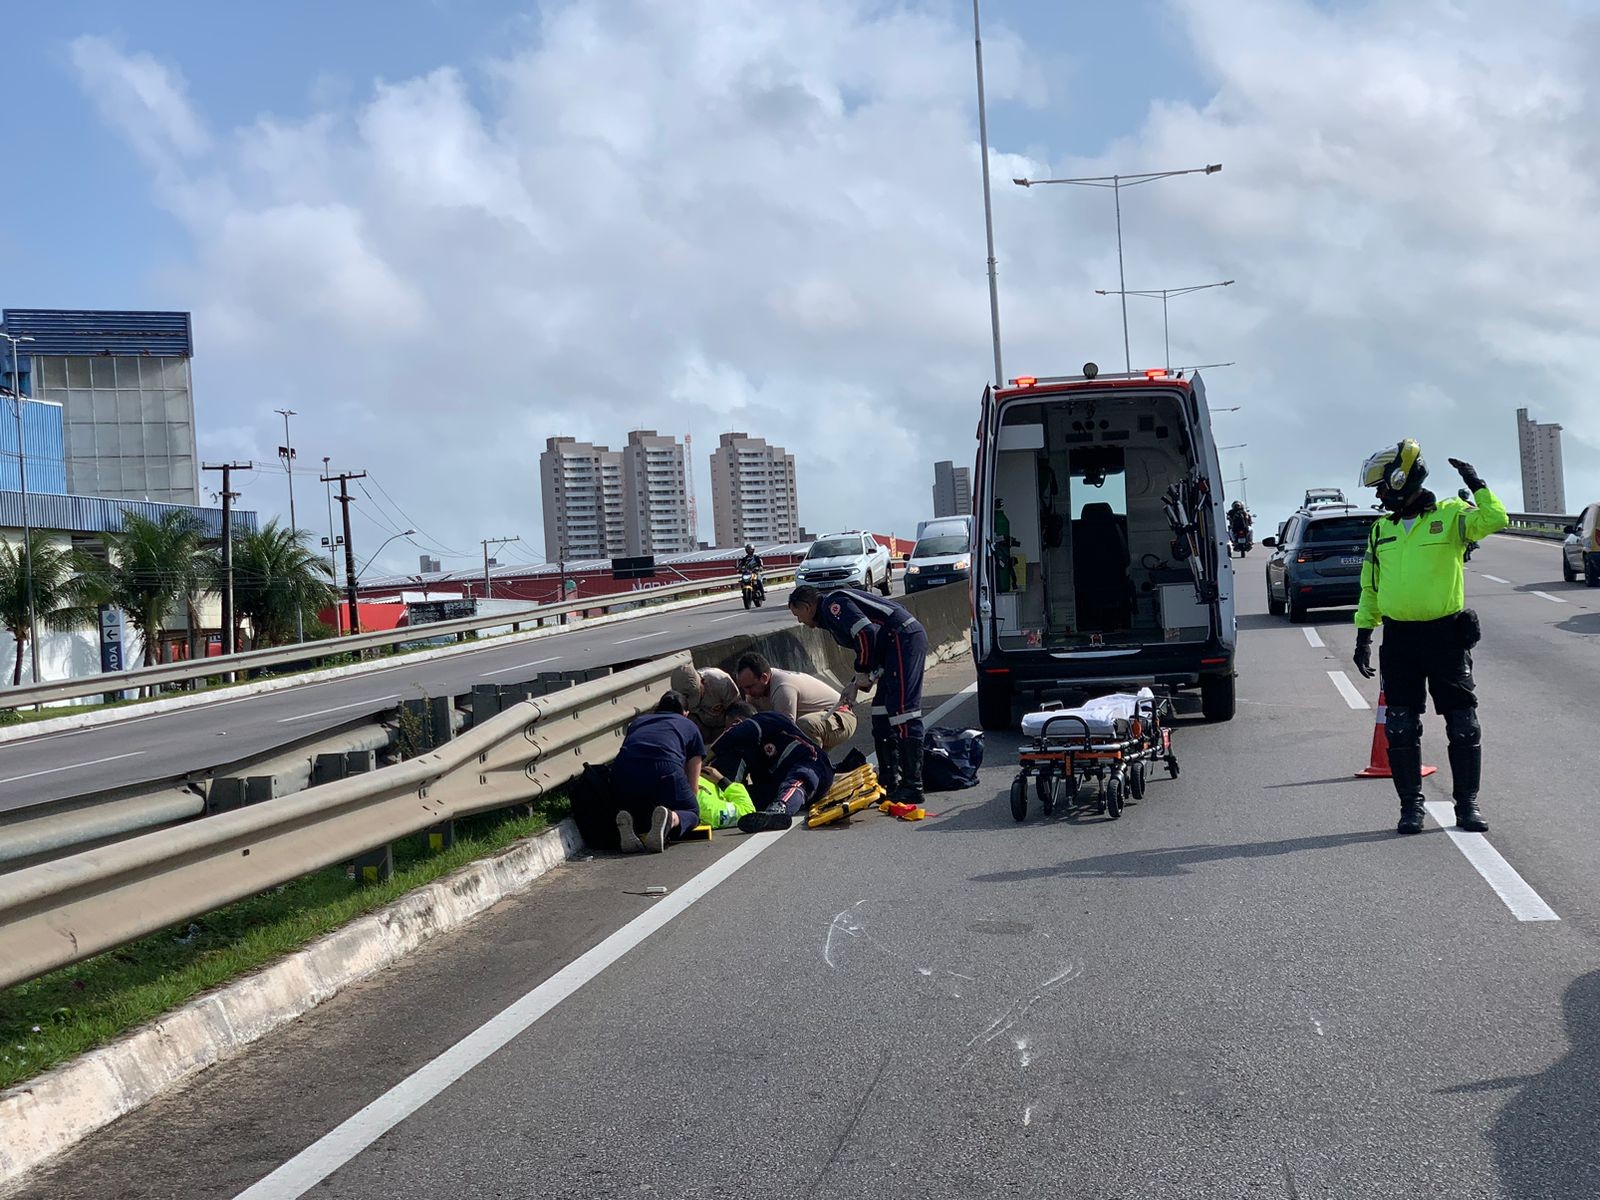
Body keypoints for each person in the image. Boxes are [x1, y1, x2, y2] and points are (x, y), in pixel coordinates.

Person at [1352, 440, 1507, 835]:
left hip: (1445, 637)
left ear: (1402, 479)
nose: (1379, 495)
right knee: (1400, 725)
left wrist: (1477, 484)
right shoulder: (1380, 530)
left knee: (1462, 724)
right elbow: (1370, 587)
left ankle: (1467, 806)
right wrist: (1364, 635)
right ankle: (1411, 808)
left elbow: (1494, 520)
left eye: (1382, 487)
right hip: (1400, 639)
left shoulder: (1451, 516)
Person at [787, 583, 927, 805]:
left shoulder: (834, 604)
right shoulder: (830, 614)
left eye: (798, 615)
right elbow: (871, 640)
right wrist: (858, 680)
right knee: (881, 715)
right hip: (889, 647)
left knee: (903, 712)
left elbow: (865, 633)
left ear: (807, 607)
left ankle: (913, 785)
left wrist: (862, 670)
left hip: (902, 639)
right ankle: (890, 781)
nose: (800, 621)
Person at [708, 701, 836, 832]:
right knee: (755, 794)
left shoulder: (764, 719)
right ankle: (768, 812)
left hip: (813, 765)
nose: (727, 731)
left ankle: (780, 808)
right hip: (783, 783)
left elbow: (732, 736)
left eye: (728, 727)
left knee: (797, 781)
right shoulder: (753, 751)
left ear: (736, 723)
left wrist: (702, 760)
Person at [611, 694, 706, 853]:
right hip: (664, 766)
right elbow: (693, 785)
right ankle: (671, 818)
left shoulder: (638, 722)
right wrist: (685, 803)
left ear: (657, 709)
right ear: (685, 713)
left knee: (642, 809)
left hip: (623, 769)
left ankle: (632, 825)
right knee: (692, 812)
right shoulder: (689, 726)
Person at [733, 650, 858, 751]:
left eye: (749, 687)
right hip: (816, 723)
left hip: (840, 716)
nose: (747, 692)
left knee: (803, 727)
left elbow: (786, 732)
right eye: (743, 688)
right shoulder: (754, 693)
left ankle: (814, 770)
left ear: (764, 678)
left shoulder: (783, 688)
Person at [669, 663, 742, 738]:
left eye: (695, 695)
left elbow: (737, 710)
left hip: (725, 725)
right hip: (702, 728)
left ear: (702, 681)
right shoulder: (674, 698)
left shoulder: (721, 682)